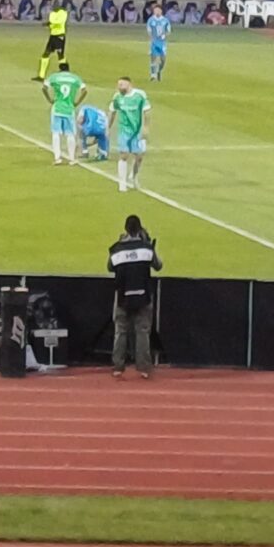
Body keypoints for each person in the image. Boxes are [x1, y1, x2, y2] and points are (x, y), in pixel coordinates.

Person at [108, 214, 162, 379]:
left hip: (123, 296)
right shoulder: (146, 248)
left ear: (125, 229)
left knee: (121, 332)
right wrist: (148, 244)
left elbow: (110, 267)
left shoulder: (117, 249)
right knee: (142, 332)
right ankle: (144, 368)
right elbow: (158, 266)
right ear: (139, 229)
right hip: (143, 296)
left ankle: (118, 367)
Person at [109, 77, 152, 192]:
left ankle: (134, 176)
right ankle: (122, 183)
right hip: (124, 130)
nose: (119, 86)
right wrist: (108, 127)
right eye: (118, 84)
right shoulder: (117, 97)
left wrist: (146, 128)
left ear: (129, 84)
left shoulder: (139, 95)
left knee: (139, 156)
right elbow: (112, 112)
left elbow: (147, 111)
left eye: (122, 84)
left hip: (137, 131)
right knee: (124, 155)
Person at [44, 63, 86, 165]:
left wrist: (49, 99)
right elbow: (84, 90)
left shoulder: (54, 77)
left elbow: (44, 87)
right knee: (70, 134)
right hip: (69, 109)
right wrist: (77, 102)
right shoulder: (75, 78)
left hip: (57, 108)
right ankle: (71, 158)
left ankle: (57, 157)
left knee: (56, 132)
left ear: (60, 69)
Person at [36, 0, 70, 82]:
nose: (54, 6)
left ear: (59, 5)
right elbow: (52, 23)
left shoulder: (63, 13)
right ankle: (41, 76)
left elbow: (58, 22)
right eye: (53, 5)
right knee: (46, 54)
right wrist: (49, 24)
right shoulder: (52, 13)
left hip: (60, 36)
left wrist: (48, 23)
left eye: (56, 5)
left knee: (60, 55)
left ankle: (66, 73)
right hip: (53, 36)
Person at [145, 2, 171, 82]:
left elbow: (168, 31)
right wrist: (152, 38)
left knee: (163, 60)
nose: (156, 12)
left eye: (158, 10)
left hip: (162, 43)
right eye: (155, 10)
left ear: (161, 11)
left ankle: (159, 71)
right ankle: (153, 76)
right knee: (153, 59)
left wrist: (164, 36)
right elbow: (149, 31)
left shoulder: (165, 20)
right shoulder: (151, 20)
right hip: (154, 42)